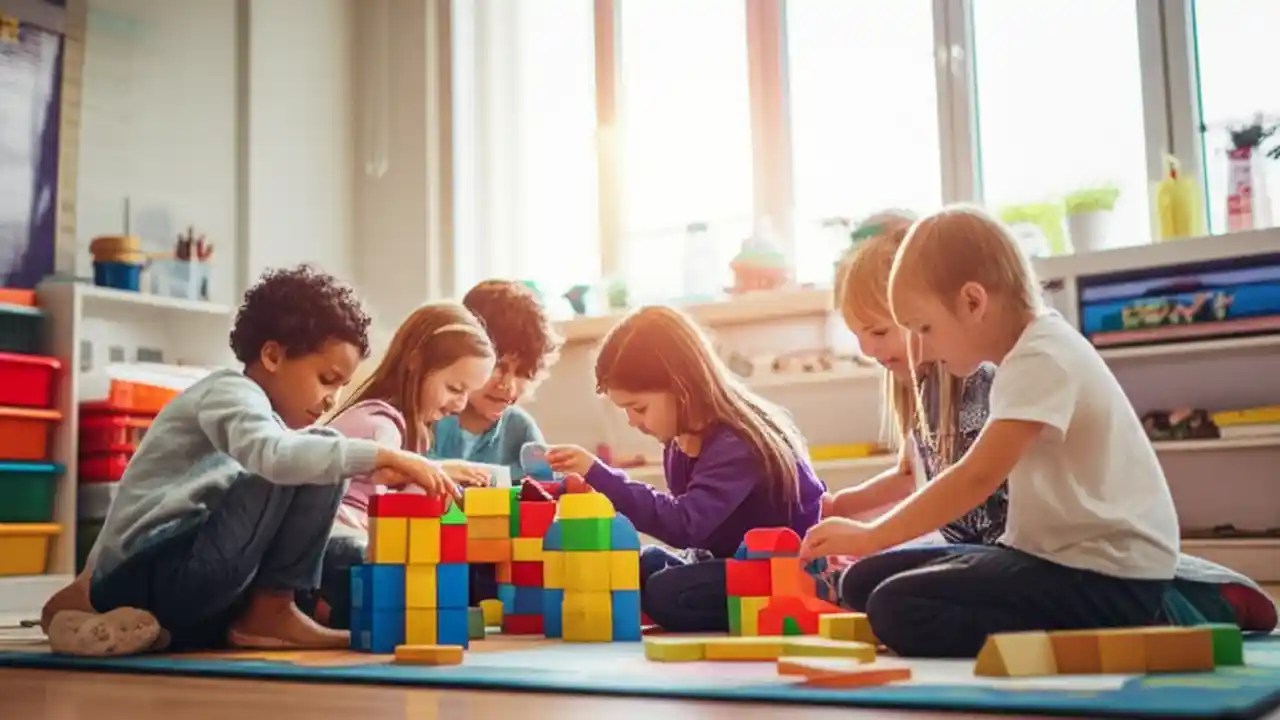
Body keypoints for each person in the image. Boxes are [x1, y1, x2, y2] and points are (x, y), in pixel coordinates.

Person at [823, 210, 1278, 635]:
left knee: (893, 606)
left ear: (972, 302)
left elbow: (976, 476)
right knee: (864, 582)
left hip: (1109, 578)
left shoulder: (1043, 358)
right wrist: (869, 540)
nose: (922, 348)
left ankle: (1168, 610)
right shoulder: (1021, 357)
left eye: (925, 328)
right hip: (1049, 560)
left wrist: (872, 534)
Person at [42, 265, 461, 654]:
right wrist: (378, 454)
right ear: (273, 356)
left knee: (345, 552)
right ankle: (269, 612)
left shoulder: (270, 423)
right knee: (320, 451)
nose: (332, 397)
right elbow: (275, 459)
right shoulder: (229, 392)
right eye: (326, 379)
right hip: (162, 570)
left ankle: (175, 627)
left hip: (195, 586)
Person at [546, 305, 826, 632]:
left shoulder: (737, 443)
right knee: (638, 566)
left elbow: (686, 525)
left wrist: (602, 476)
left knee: (667, 592)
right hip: (729, 565)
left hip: (783, 574)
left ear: (683, 387)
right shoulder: (680, 441)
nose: (633, 421)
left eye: (639, 408)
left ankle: (821, 594)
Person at [824, 210, 1007, 607]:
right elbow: (910, 474)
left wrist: (873, 536)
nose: (868, 350)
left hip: (996, 549)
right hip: (960, 546)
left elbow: (972, 485)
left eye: (878, 332)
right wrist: (839, 505)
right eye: (857, 335)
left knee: (873, 585)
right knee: (858, 579)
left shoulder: (977, 377)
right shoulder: (923, 386)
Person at [308, 301, 497, 628]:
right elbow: (384, 466)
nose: (461, 404)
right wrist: (435, 470)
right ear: (415, 364)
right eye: (454, 388)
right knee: (379, 567)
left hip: (349, 541)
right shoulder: (379, 420)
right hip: (329, 541)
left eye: (468, 393)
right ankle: (322, 606)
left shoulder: (411, 431)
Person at [426, 280, 562, 606]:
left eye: (522, 372)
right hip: (429, 560)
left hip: (494, 572)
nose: (507, 385)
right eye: (499, 366)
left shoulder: (520, 431)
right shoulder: (429, 417)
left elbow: (543, 505)